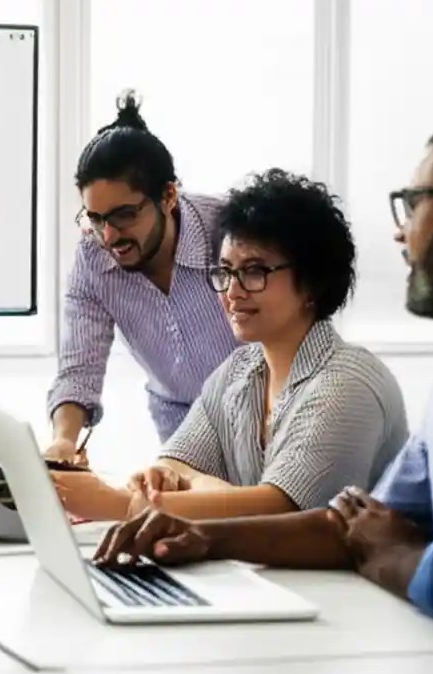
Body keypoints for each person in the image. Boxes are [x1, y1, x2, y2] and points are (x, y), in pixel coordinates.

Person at [94, 109, 433, 641]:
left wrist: (383, 548)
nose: (402, 234)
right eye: (228, 272)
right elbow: (351, 522)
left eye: (415, 205)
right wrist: (203, 536)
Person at [53, 169, 408, 522]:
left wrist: (119, 505)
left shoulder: (348, 383)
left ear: (313, 282)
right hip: (259, 576)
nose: (233, 292)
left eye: (254, 272)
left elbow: (280, 511)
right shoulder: (239, 370)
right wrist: (170, 479)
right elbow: (176, 464)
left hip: (343, 579)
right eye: (225, 272)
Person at [45, 92, 239, 461]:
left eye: (123, 215)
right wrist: (63, 442)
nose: (109, 236)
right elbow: (78, 370)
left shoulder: (228, 230)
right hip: (180, 431)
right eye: (96, 219)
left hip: (264, 420)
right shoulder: (93, 259)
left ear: (168, 196)